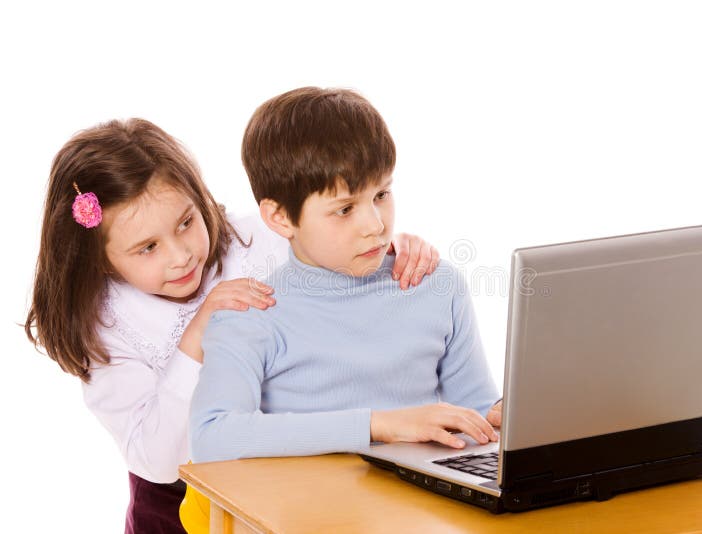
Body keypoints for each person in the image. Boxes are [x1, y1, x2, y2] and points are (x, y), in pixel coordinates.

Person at [24, 118, 441, 534]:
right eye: (148, 248)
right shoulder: (108, 326)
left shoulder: (256, 239)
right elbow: (156, 459)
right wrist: (198, 338)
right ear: (101, 259)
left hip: (288, 488)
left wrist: (391, 250)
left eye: (186, 222)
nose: (181, 255)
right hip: (178, 509)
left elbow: (336, 252)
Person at [189, 86, 503, 468]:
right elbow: (212, 436)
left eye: (382, 194)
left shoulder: (437, 286)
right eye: (345, 209)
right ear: (280, 218)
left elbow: (478, 410)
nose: (375, 224)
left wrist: (506, 415)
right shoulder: (251, 313)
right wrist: (377, 426)